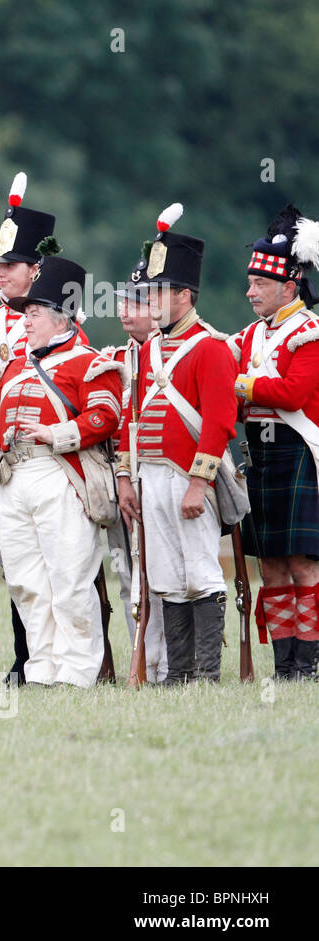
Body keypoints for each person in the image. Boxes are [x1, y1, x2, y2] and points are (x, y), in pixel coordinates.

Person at [0, 256, 123, 686]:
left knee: (69, 578)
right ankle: (42, 668)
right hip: (14, 480)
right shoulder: (14, 366)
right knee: (27, 582)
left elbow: (106, 415)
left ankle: (77, 671)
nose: (25, 322)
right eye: (26, 314)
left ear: (59, 317)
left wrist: (57, 433)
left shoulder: (87, 362)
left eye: (33, 314)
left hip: (60, 475)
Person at [115, 205, 236, 683]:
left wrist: (197, 483)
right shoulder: (149, 349)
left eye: (160, 292)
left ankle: (206, 673)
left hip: (188, 476)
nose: (152, 300)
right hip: (150, 476)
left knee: (200, 572)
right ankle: (177, 673)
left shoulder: (211, 347)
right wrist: (127, 476)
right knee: (165, 577)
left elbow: (220, 421)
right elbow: (133, 415)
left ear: (185, 295)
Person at [0, 172, 63, 684]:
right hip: (0, 464)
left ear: (36, 269)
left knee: (61, 567)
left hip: (48, 462)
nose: (2, 274)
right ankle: (24, 659)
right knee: (19, 569)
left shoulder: (61, 319)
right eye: (0, 265)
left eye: (11, 265)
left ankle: (67, 660)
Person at [229, 204, 319, 680]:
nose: (250, 292)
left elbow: (294, 393)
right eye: (250, 283)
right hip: (260, 454)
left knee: (303, 564)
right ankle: (285, 663)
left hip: (298, 450)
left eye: (259, 284)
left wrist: (244, 386)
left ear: (289, 286)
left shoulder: (309, 331)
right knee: (272, 565)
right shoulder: (247, 337)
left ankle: (309, 660)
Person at [113, 274, 168, 682]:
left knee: (164, 575)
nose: (123, 312)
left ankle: (167, 664)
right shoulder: (115, 357)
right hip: (124, 480)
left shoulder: (170, 355)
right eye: (121, 303)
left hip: (162, 474)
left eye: (134, 303)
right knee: (128, 576)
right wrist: (122, 476)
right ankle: (141, 660)